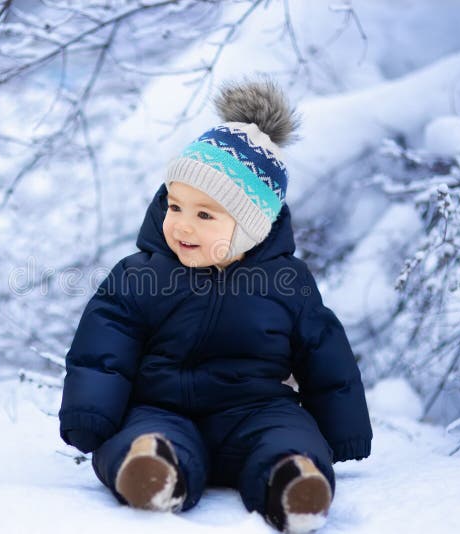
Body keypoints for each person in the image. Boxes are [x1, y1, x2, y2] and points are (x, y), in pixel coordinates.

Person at [58, 78, 372, 534]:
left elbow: (325, 352)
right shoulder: (140, 273)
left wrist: (342, 430)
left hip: (255, 408)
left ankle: (292, 481)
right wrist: (91, 414)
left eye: (205, 215)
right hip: (160, 406)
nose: (182, 225)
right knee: (130, 435)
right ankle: (154, 468)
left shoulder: (286, 282)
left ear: (250, 227)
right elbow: (104, 345)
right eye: (175, 206)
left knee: (292, 435)